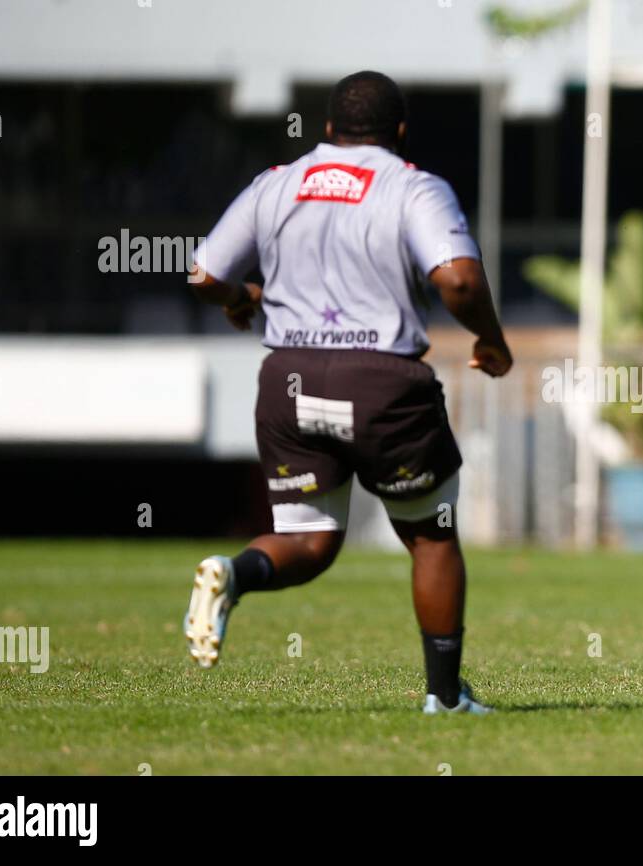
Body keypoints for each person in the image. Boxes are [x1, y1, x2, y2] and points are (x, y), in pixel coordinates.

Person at [184, 71, 511, 715]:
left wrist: (239, 298)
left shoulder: (275, 183)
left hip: (289, 380)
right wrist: (492, 341)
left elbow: (203, 273)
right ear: (400, 132)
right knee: (432, 536)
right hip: (381, 381)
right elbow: (462, 282)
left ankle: (233, 572)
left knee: (310, 541)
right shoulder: (413, 185)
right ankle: (444, 698)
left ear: (328, 128)